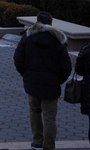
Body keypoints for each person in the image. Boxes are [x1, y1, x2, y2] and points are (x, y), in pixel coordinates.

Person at [13, 12, 72, 150]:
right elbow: (66, 67)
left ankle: (37, 141)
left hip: (32, 84)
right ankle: (49, 145)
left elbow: (18, 60)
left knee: (34, 111)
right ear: (51, 24)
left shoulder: (27, 39)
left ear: (36, 23)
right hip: (51, 86)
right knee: (49, 117)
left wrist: (26, 76)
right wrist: (58, 80)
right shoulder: (58, 41)